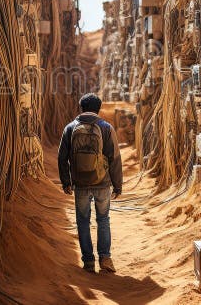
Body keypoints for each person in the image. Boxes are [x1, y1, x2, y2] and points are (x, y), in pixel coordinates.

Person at [58, 93, 123, 273]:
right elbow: (115, 158)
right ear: (99, 108)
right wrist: (118, 186)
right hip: (102, 183)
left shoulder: (70, 128)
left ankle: (88, 262)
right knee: (103, 220)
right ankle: (105, 259)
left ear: (81, 108)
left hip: (80, 184)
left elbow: (62, 158)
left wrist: (66, 182)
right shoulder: (106, 128)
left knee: (82, 221)